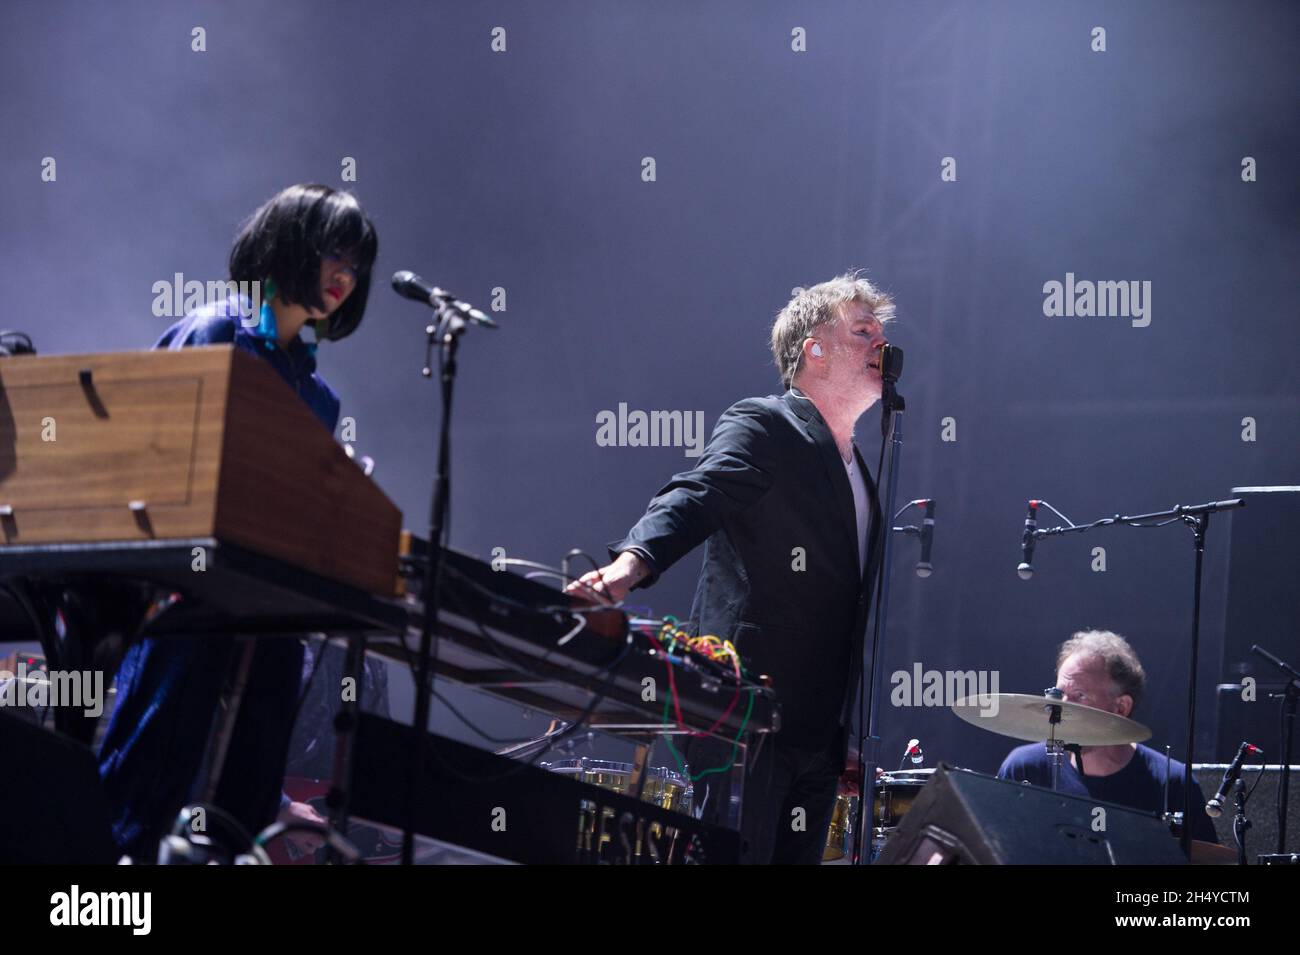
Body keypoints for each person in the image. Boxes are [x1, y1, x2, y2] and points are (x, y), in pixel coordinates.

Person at [568, 273, 892, 863]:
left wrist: (842, 729)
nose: (882, 346)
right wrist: (629, 565)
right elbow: (699, 493)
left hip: (817, 737)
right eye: (863, 331)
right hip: (743, 715)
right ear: (813, 348)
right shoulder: (767, 423)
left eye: (881, 334)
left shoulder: (863, 474)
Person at [97, 183, 378, 860]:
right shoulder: (216, 331)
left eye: (356, 265)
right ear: (290, 244)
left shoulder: (320, 396)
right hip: (184, 591)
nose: (345, 276)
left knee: (276, 687)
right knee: (144, 787)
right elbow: (154, 464)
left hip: (262, 607)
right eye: (332, 254)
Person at [997, 629, 1219, 844]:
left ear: (1121, 707)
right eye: (1059, 694)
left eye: (1079, 695)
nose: (1062, 708)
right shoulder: (1024, 769)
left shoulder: (1174, 784)